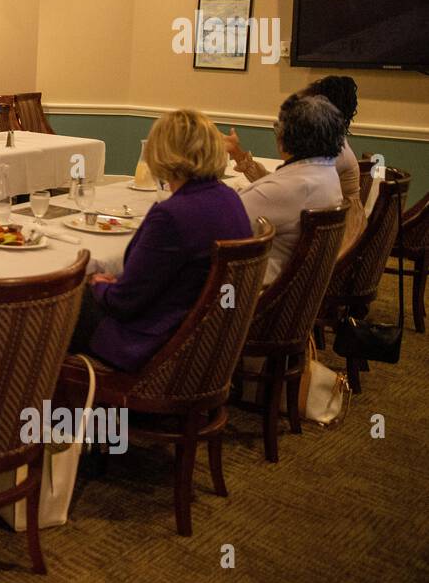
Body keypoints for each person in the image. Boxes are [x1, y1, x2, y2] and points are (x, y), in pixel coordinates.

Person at [70, 109, 252, 371]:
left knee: (54, 306)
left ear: (161, 153)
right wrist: (119, 285)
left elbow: (124, 304)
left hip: (156, 346)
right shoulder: (229, 198)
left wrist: (98, 285)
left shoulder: (172, 215)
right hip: (203, 344)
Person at [227, 75, 365, 255]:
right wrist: (241, 158)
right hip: (324, 250)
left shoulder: (322, 166)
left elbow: (229, 220)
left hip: (337, 242)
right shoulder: (325, 163)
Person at [236, 94, 345, 285]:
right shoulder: (326, 173)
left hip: (252, 294)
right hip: (292, 294)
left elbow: (221, 224)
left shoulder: (291, 188)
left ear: (286, 136)